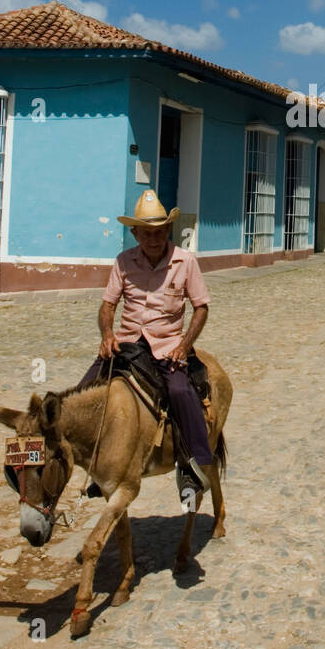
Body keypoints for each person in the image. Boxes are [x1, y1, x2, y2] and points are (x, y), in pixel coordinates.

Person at [78, 190, 213, 494]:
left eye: (159, 232)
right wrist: (107, 335)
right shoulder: (123, 262)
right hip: (126, 344)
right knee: (83, 392)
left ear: (169, 230)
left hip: (166, 347)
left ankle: (193, 463)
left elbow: (201, 307)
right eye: (146, 233)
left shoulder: (185, 262)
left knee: (180, 392)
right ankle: (98, 464)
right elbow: (108, 305)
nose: (153, 239)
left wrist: (184, 345)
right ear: (135, 234)